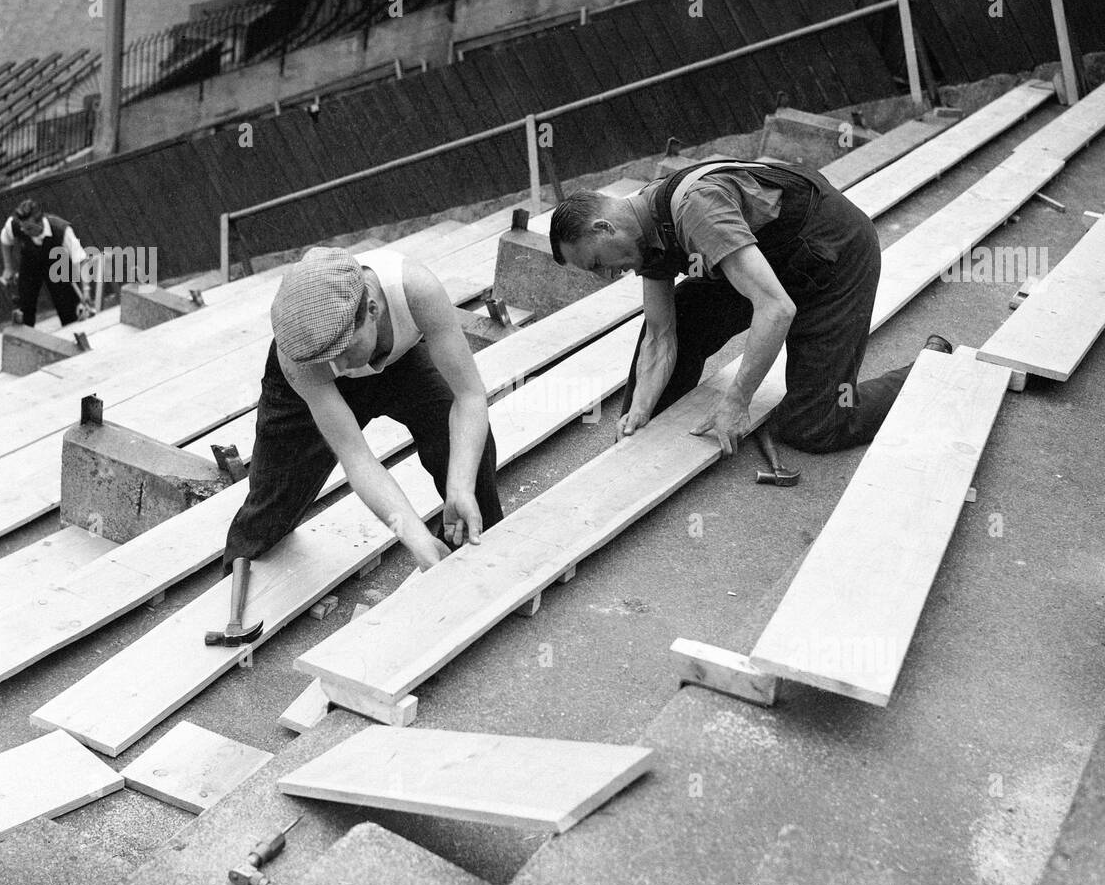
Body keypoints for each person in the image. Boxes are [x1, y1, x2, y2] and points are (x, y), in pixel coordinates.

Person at [548, 158, 952, 456]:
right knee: (685, 313)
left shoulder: (696, 209)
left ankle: (927, 373)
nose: (606, 276)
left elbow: (775, 308)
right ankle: (645, 428)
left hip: (833, 258)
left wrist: (737, 400)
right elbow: (660, 333)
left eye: (598, 264)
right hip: (768, 260)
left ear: (605, 227)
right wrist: (639, 410)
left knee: (814, 426)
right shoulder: (642, 234)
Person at [223, 246, 502, 589]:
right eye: (331, 359)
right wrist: (413, 536)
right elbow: (356, 457)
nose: (340, 368)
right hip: (308, 386)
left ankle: (473, 555)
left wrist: (460, 484)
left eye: (344, 353)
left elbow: (469, 395)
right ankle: (239, 587)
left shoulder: (416, 289)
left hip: (401, 362)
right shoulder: (300, 359)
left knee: (465, 448)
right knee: (274, 496)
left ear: (372, 310)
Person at [0, 198, 86, 326]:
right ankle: (24, 338)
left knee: (67, 307)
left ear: (40, 222)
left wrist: (86, 292)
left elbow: (80, 260)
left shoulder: (61, 229)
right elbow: (5, 241)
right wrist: (7, 267)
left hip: (57, 265)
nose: (24, 232)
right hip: (31, 262)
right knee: (25, 303)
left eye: (28, 228)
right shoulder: (14, 224)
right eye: (23, 228)